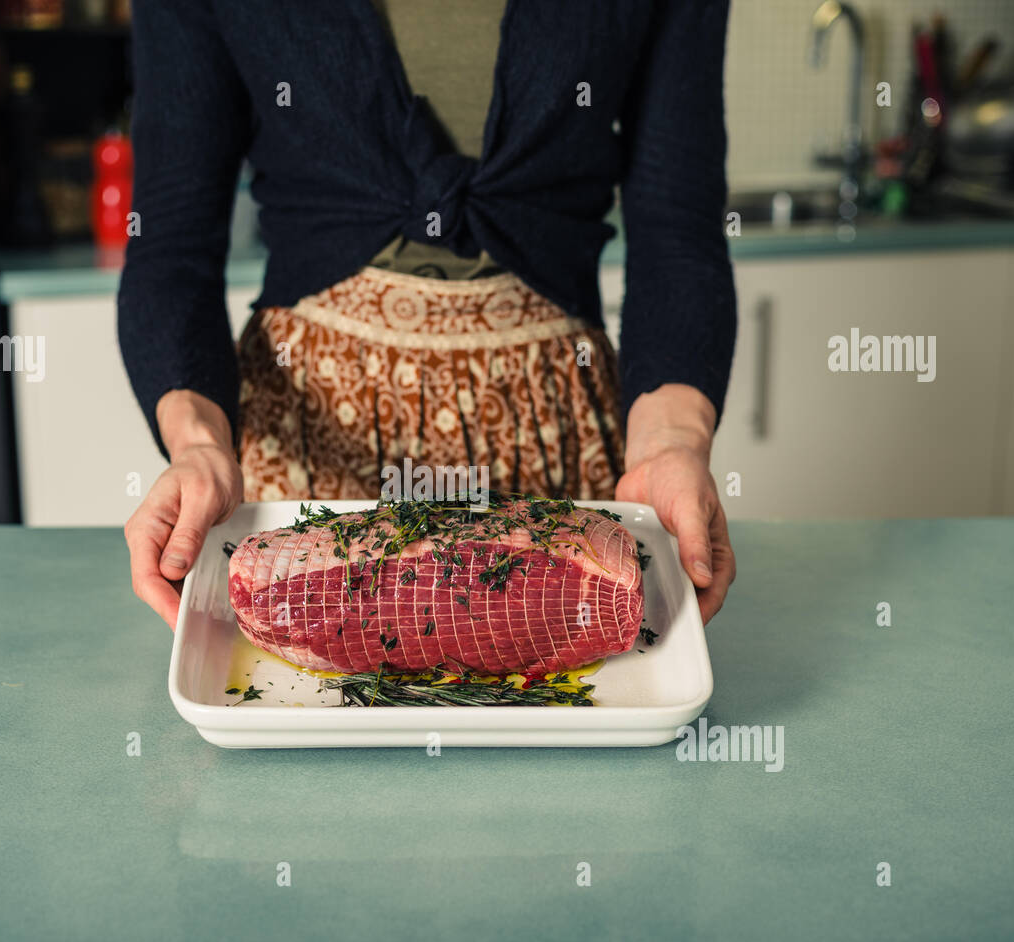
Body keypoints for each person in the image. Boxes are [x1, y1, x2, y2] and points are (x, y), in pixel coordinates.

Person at [118, 0, 737, 630]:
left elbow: (678, 229)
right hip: (304, 437)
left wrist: (671, 444)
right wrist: (198, 447)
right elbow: (169, 239)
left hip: (555, 429)